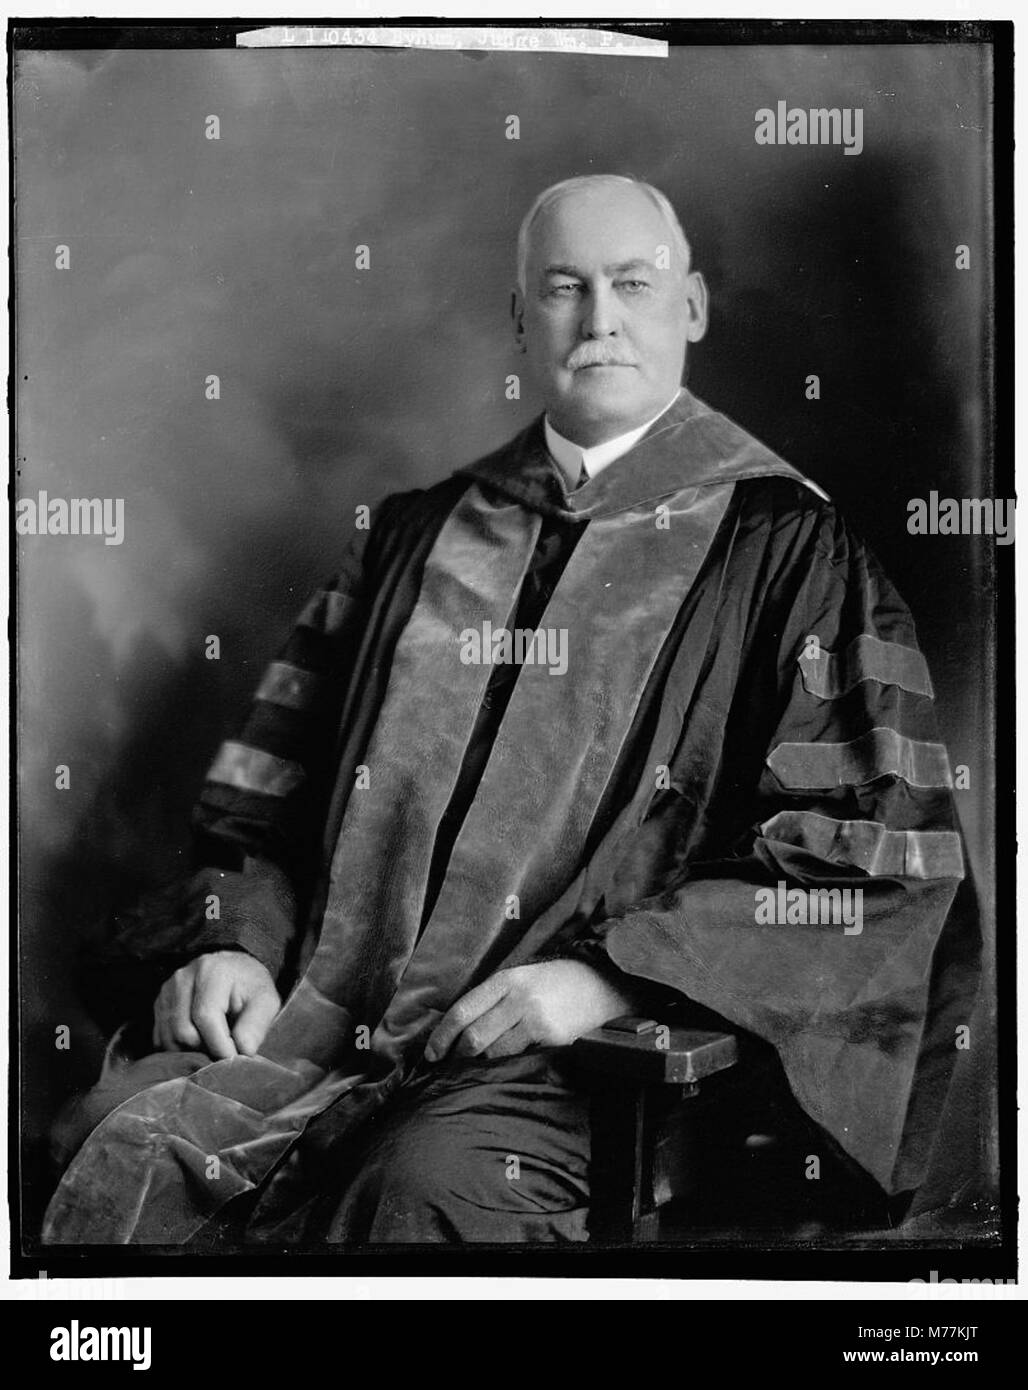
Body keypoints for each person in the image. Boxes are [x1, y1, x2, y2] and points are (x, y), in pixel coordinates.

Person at [43, 174, 976, 1246]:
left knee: (416, 1195)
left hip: (571, 1059)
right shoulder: (410, 539)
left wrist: (608, 980)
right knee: (100, 1130)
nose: (601, 317)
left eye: (633, 282)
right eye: (564, 287)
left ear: (693, 307)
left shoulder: (790, 558)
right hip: (323, 1012)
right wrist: (238, 944)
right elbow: (267, 810)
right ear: (520, 316)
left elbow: (863, 861)